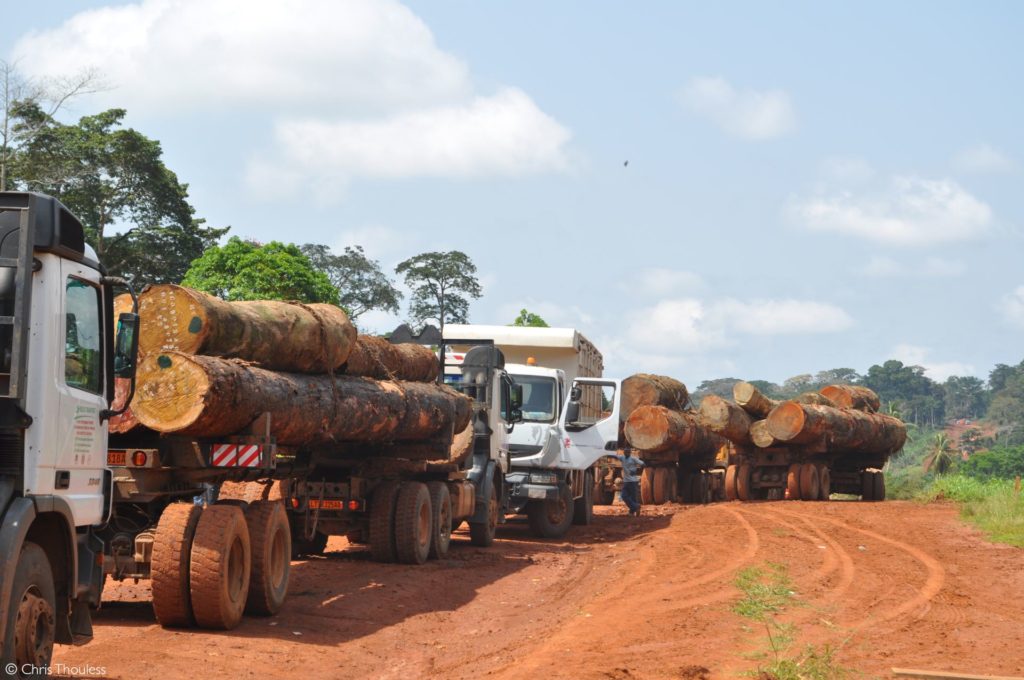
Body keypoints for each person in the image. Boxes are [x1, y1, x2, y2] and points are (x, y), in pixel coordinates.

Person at [615, 448, 646, 516]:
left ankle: (632, 512)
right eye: (625, 452)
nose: (626, 453)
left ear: (630, 452)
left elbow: (643, 464)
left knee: (633, 498)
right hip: (626, 482)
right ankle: (636, 507)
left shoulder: (633, 458)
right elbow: (615, 456)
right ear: (624, 452)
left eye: (628, 452)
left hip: (633, 481)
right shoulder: (622, 458)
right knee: (624, 496)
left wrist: (636, 471)